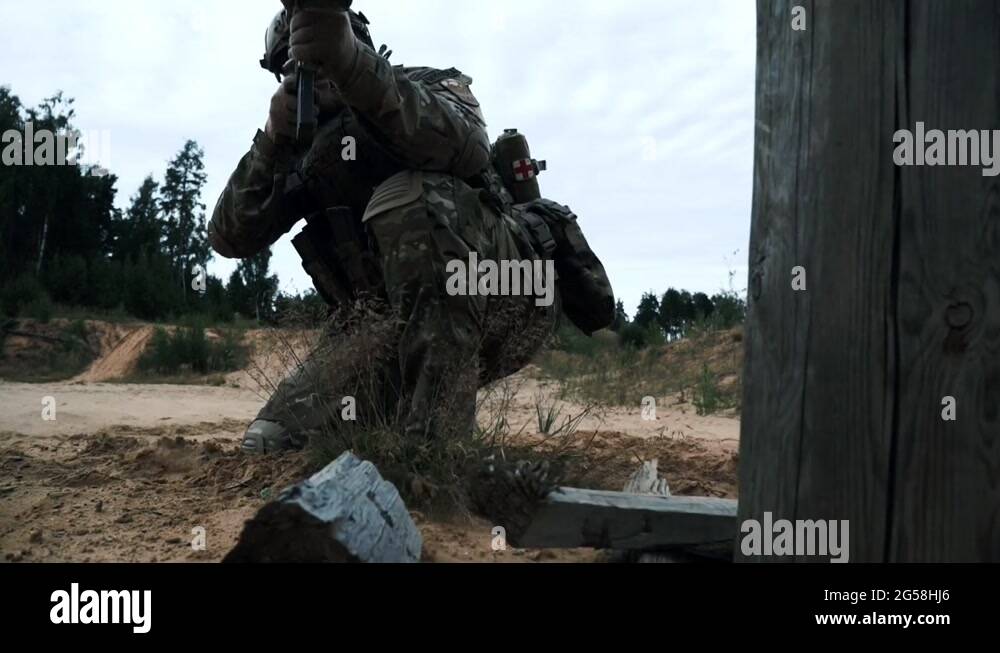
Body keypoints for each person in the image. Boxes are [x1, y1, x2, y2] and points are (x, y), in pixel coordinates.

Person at [210, 6, 614, 454]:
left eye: (317, 48)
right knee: (273, 440)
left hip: (504, 295)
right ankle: (403, 418)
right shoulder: (299, 148)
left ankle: (435, 458)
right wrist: (271, 139)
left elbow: (467, 149)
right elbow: (231, 237)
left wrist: (351, 66)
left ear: (354, 37)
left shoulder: (424, 84)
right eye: (292, 64)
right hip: (384, 331)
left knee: (410, 200)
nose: (309, 67)